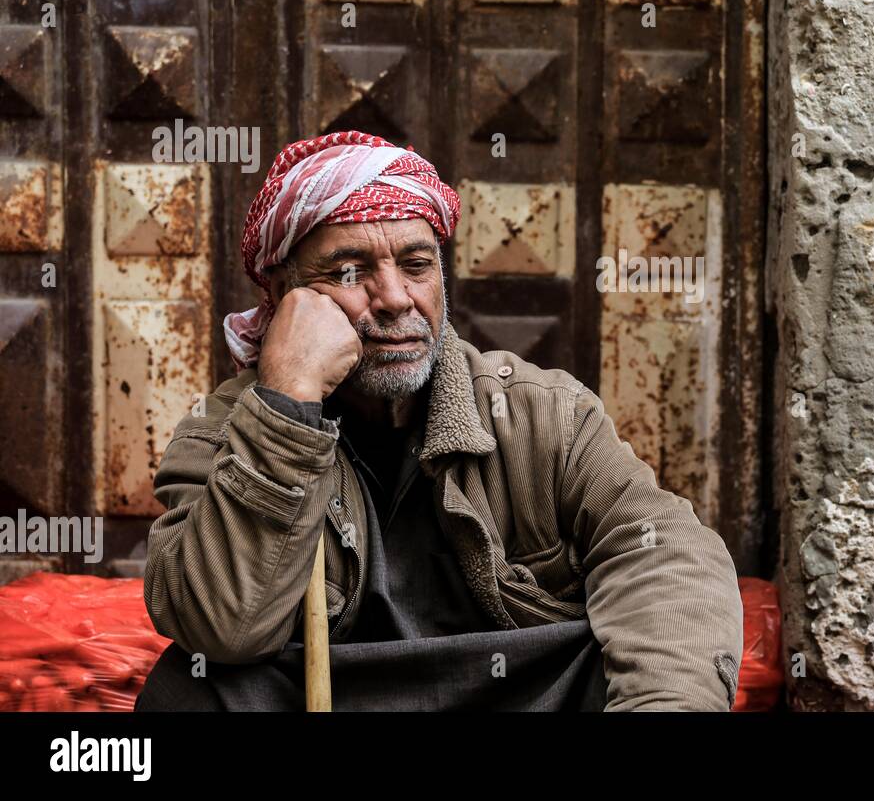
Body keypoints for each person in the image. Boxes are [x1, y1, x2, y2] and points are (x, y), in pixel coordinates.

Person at [136, 131, 744, 711]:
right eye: (350, 272)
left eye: (416, 265)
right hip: (332, 699)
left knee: (608, 655)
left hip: (513, 697)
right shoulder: (225, 429)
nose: (396, 297)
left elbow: (662, 552)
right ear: (283, 290)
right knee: (194, 689)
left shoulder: (542, 413)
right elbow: (223, 626)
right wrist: (289, 406)